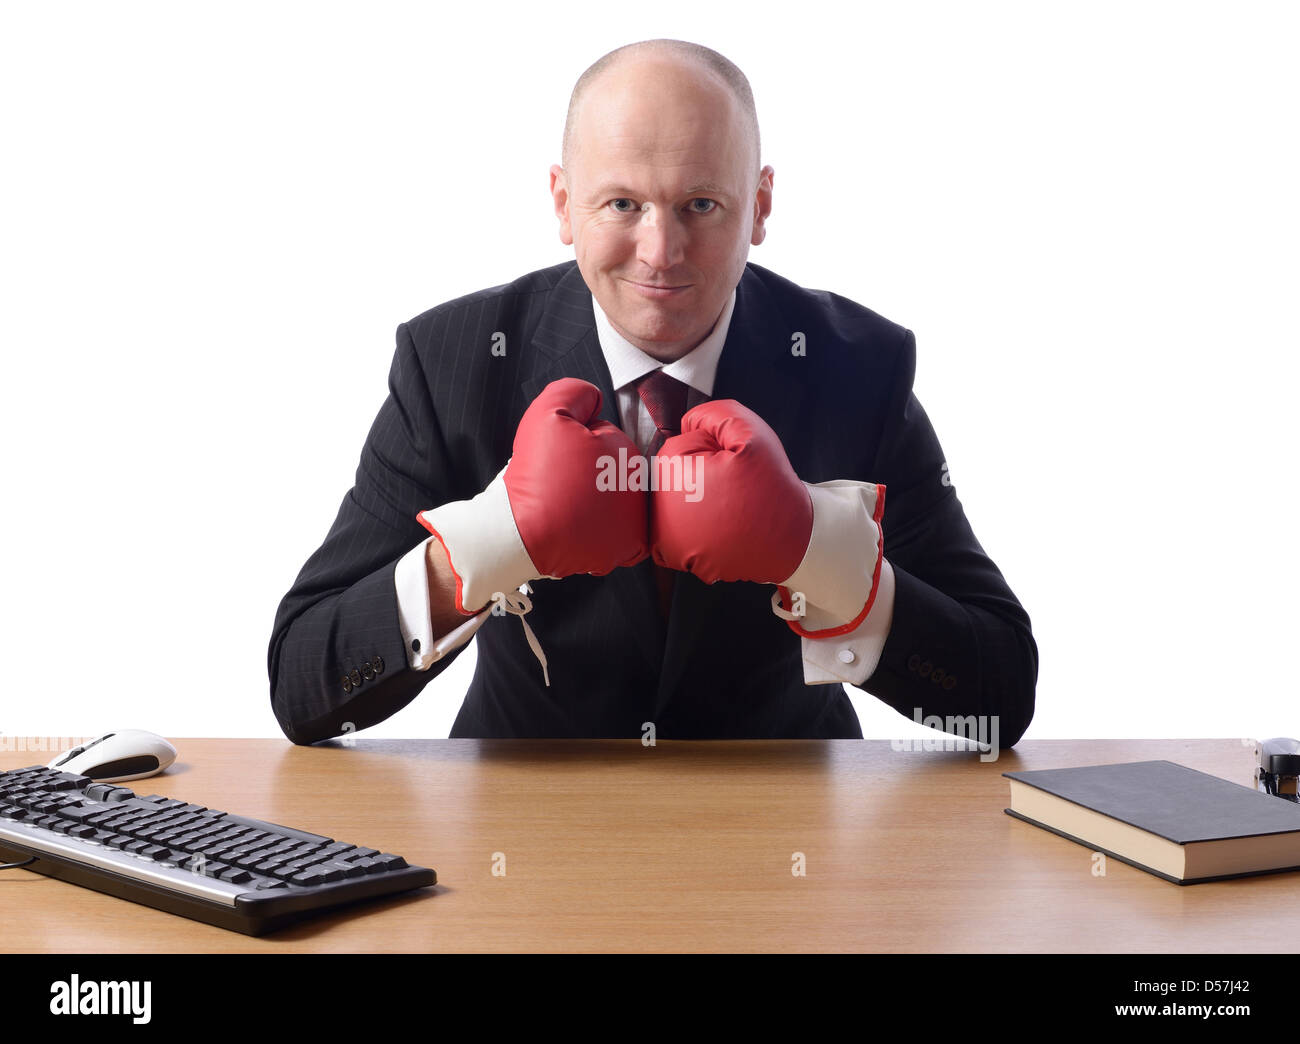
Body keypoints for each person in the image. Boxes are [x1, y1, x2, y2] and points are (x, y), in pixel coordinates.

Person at [267, 38, 1037, 747]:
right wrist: (478, 552)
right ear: (563, 204)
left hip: (788, 830)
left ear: (761, 207)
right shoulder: (453, 362)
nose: (661, 252)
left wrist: (821, 554)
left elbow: (1001, 691)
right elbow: (301, 685)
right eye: (622, 204)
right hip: (522, 827)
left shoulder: (857, 365)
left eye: (701, 204)